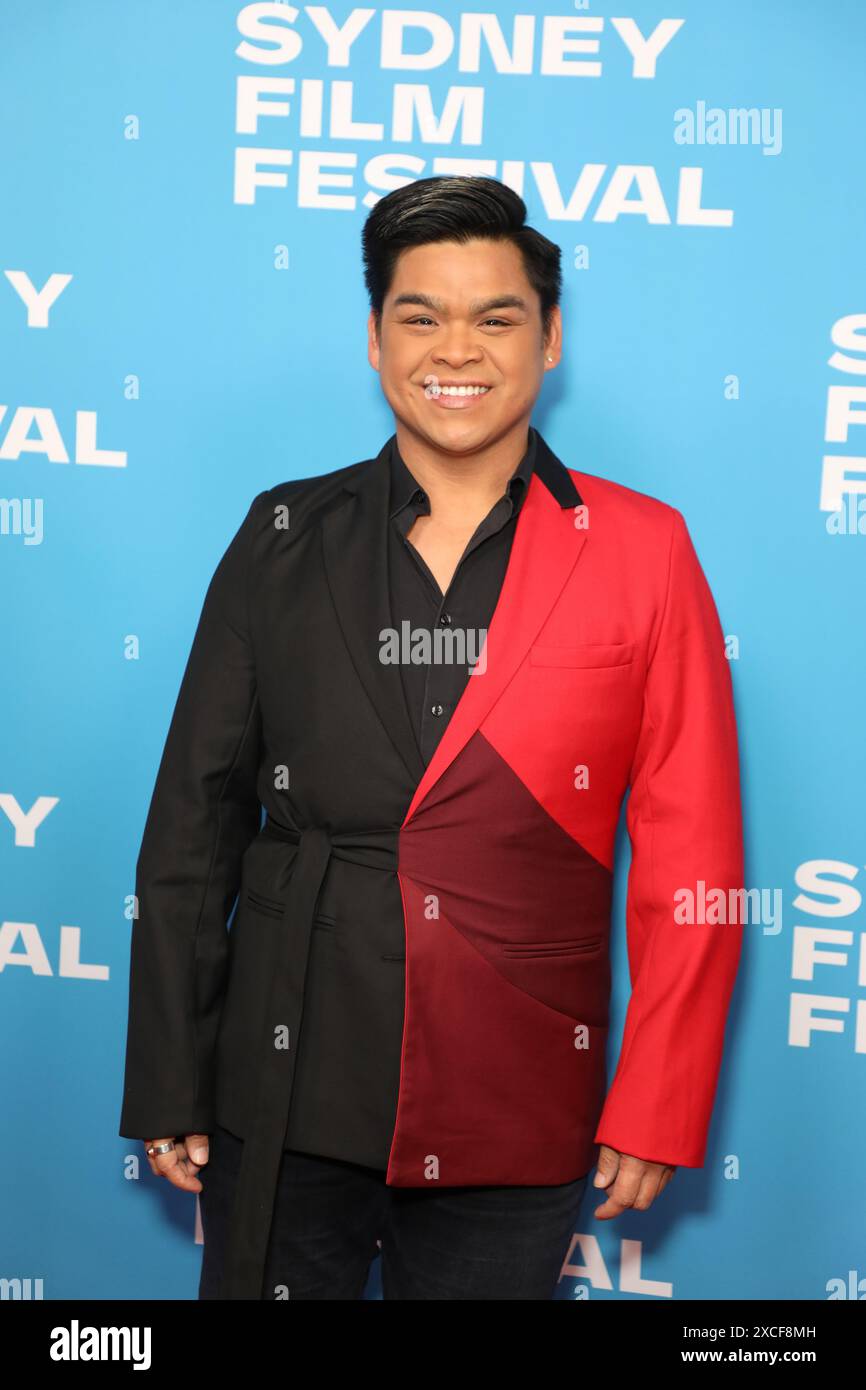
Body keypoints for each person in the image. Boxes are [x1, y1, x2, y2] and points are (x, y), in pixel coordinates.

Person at [118, 175, 744, 1300]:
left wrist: (657, 1097)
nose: (456, 348)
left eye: (495, 316)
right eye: (420, 315)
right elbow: (192, 827)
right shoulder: (280, 532)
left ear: (548, 339)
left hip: (514, 1084)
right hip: (283, 1070)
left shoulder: (644, 549)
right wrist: (170, 1073)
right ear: (373, 338)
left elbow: (691, 855)